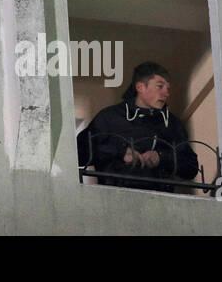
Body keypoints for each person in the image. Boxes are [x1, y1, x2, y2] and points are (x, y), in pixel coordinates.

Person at [78, 61, 200, 191]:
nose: (166, 93)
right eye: (160, 86)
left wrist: (160, 157)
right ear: (140, 87)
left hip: (161, 204)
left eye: (168, 88)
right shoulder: (109, 117)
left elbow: (191, 168)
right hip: (114, 201)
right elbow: (79, 154)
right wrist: (121, 152)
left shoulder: (172, 124)